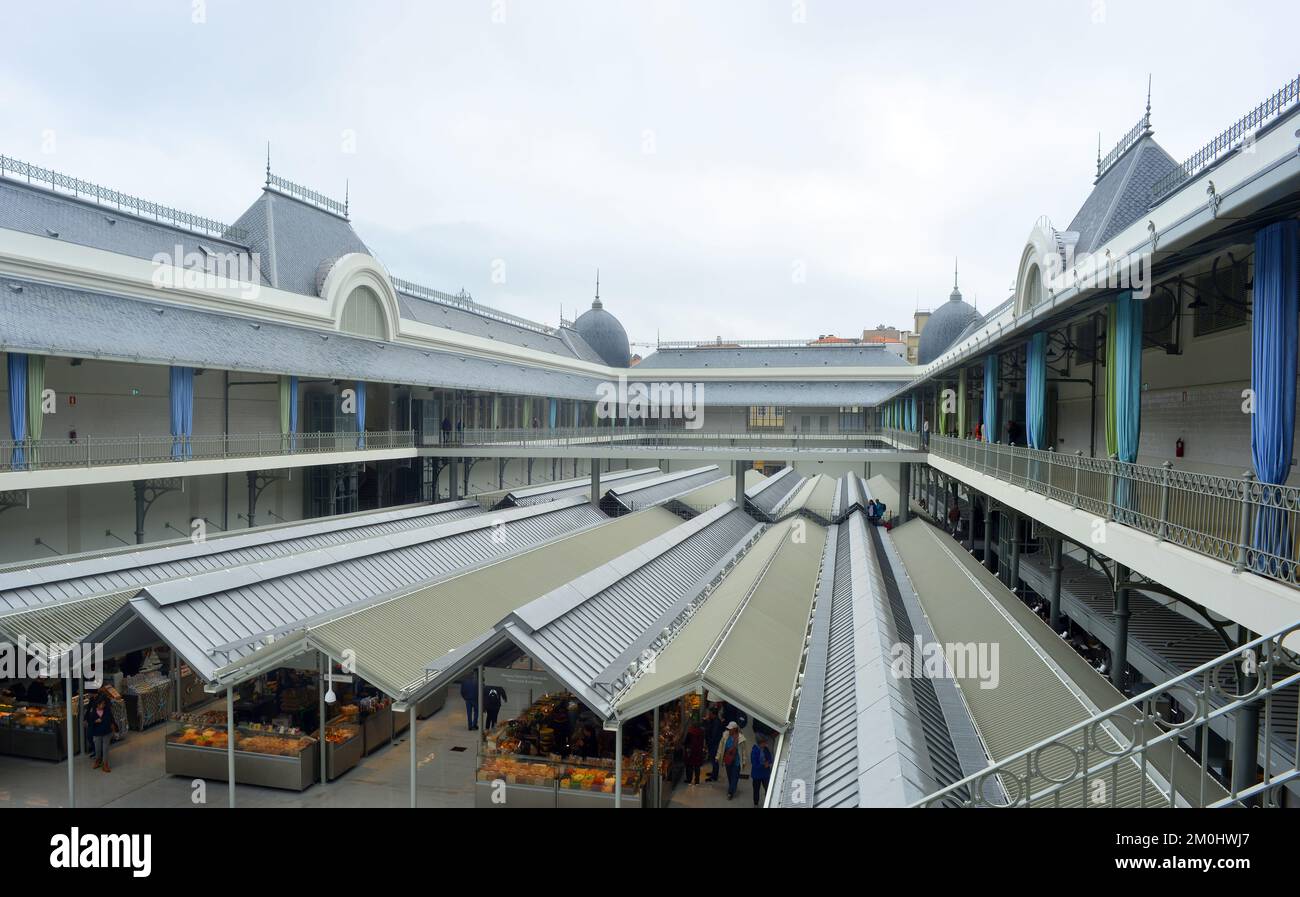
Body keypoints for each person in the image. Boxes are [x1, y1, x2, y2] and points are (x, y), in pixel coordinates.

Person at [716, 721, 746, 800]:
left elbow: (743, 751)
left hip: (736, 761)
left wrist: (744, 761)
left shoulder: (741, 738)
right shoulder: (725, 736)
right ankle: (732, 787)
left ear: (735, 729)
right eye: (728, 729)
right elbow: (721, 747)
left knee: (734, 776)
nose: (729, 730)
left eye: (730, 729)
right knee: (730, 775)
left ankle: (730, 792)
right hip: (728, 760)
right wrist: (718, 756)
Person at [87, 695, 117, 772]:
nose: (103, 705)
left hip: (106, 732)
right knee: (98, 748)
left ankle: (105, 764)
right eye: (102, 704)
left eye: (104, 704)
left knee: (105, 749)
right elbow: (90, 723)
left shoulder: (107, 711)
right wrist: (95, 722)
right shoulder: (93, 713)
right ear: (97, 704)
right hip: (97, 733)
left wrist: (113, 729)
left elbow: (111, 720)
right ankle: (98, 760)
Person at [750, 734, 773, 806]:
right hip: (757, 775)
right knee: (756, 790)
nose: (766, 744)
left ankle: (767, 802)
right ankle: (756, 804)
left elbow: (770, 758)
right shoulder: (754, 751)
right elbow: (754, 764)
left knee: (768, 789)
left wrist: (768, 762)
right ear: (760, 743)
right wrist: (764, 765)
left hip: (765, 774)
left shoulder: (766, 749)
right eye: (764, 742)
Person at [683, 714, 705, 785]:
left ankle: (689, 779)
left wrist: (683, 744)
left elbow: (687, 741)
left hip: (691, 752)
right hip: (698, 751)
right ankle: (697, 780)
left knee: (689, 766)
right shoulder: (701, 732)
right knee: (697, 766)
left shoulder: (690, 731)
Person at [703, 708, 724, 782]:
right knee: (713, 759)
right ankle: (714, 773)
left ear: (713, 714)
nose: (708, 715)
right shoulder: (714, 721)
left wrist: (709, 742)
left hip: (714, 744)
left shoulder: (716, 723)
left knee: (714, 759)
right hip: (713, 743)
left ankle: (714, 776)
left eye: (710, 714)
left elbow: (713, 734)